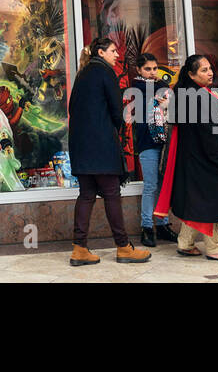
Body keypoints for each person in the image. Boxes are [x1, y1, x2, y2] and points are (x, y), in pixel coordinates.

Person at [68, 38, 151, 266]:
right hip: (101, 145)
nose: (117, 55)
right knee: (112, 194)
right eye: (113, 51)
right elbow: (117, 111)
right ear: (101, 52)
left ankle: (79, 248)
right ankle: (123, 247)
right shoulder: (106, 73)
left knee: (86, 195)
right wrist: (117, 129)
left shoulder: (82, 75)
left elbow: (71, 110)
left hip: (81, 146)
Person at [154, 54, 218, 261]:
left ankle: (185, 243)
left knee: (198, 201)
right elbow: (208, 133)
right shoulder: (197, 97)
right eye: (204, 70)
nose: (210, 72)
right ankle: (215, 249)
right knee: (212, 202)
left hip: (192, 159)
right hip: (205, 159)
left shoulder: (189, 93)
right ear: (191, 74)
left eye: (210, 68)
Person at [130, 52, 177, 247]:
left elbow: (170, 102)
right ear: (139, 70)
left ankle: (163, 224)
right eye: (147, 69)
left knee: (163, 184)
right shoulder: (136, 88)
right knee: (150, 185)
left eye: (155, 69)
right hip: (147, 143)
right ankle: (147, 227)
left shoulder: (159, 86)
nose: (152, 72)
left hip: (164, 142)